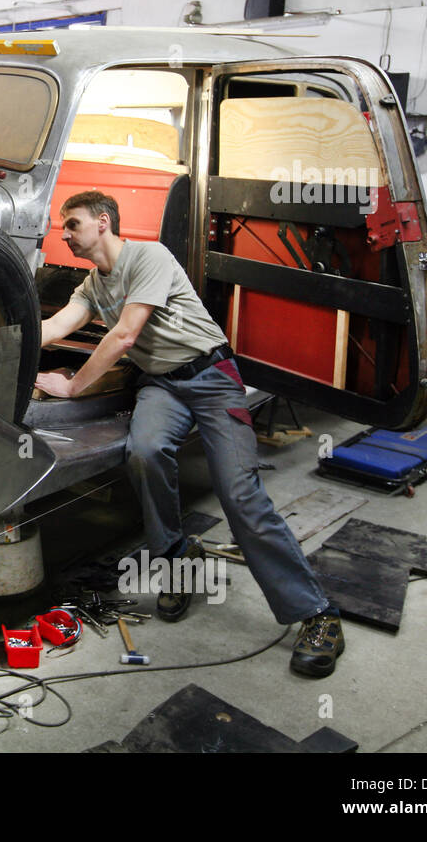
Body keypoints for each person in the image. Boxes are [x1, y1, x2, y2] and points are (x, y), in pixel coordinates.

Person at [35, 190, 344, 678]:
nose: (64, 233)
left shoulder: (148, 257)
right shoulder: (93, 285)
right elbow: (54, 326)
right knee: (144, 452)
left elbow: (124, 337)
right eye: (62, 226)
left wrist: (73, 386)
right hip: (162, 384)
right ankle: (180, 559)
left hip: (212, 378)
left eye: (71, 224)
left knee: (239, 495)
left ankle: (317, 613)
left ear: (101, 222)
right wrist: (4, 332)